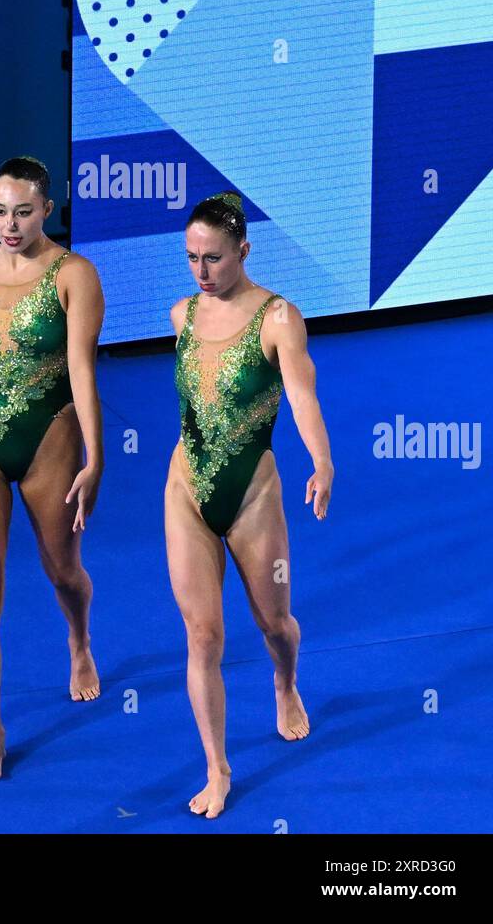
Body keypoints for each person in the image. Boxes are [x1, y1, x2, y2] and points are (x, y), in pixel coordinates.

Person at [165, 190, 334, 819]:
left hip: (254, 496)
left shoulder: (278, 318)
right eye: (191, 258)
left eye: (213, 258)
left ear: (244, 250)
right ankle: (218, 766)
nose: (202, 272)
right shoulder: (181, 316)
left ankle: (285, 681)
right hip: (185, 489)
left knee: (274, 624)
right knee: (203, 634)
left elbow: (301, 397)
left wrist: (321, 460)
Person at [0, 155, 105, 779]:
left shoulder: (75, 275)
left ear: (47, 208)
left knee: (63, 571)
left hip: (49, 438)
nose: (8, 225)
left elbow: (82, 373)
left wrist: (94, 457)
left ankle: (80, 639)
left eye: (22, 212)